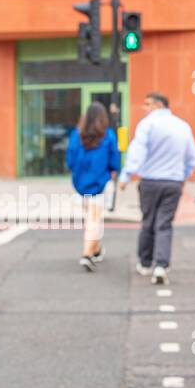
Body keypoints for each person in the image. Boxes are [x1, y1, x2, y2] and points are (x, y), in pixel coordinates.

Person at [120, 92, 195, 285]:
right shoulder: (182, 126)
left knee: (148, 222)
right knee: (164, 223)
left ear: (157, 105)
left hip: (150, 181)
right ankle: (161, 265)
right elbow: (191, 157)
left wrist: (126, 175)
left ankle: (145, 263)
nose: (144, 108)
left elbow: (137, 152)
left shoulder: (147, 125)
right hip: (173, 182)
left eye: (147, 104)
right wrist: (183, 176)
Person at [66, 102, 121, 272]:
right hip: (100, 182)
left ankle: (96, 249)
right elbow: (115, 160)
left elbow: (70, 160)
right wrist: (113, 172)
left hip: (80, 182)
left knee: (92, 217)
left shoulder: (77, 136)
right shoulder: (108, 136)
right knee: (94, 219)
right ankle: (87, 254)